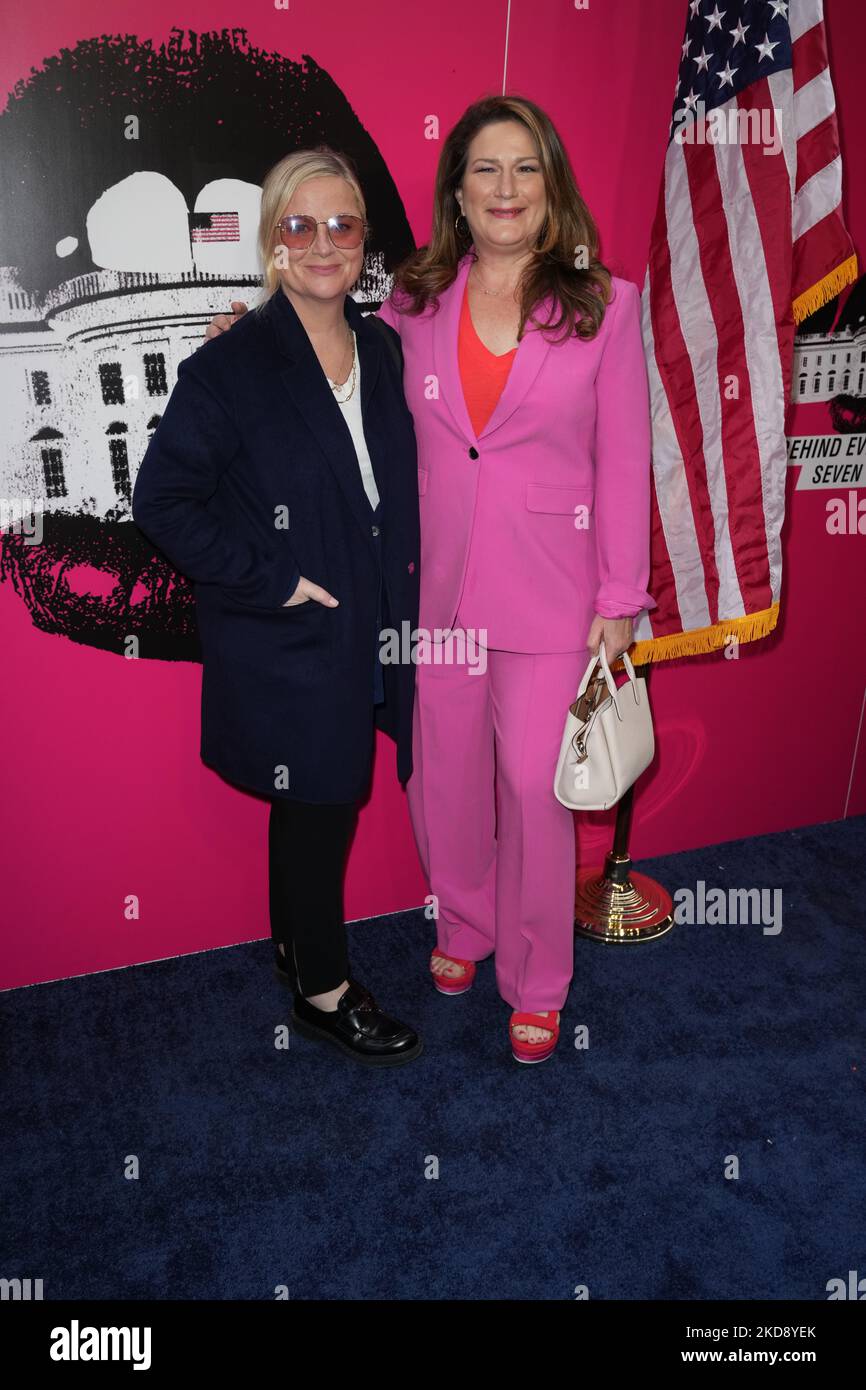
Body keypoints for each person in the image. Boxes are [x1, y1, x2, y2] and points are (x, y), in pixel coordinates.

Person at [206, 95, 655, 1065]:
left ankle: (537, 979)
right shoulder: (413, 303)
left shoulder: (604, 306)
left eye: (525, 168)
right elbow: (328, 354)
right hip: (430, 592)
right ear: (456, 189)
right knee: (439, 780)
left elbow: (625, 461)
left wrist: (621, 598)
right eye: (485, 168)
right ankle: (463, 924)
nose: (505, 188)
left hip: (553, 597)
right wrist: (249, 336)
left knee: (533, 792)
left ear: (551, 187)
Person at [133, 148, 423, 1067]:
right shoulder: (233, 365)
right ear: (272, 241)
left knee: (309, 802)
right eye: (301, 225)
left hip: (373, 618)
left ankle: (295, 950)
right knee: (322, 801)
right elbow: (161, 501)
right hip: (294, 632)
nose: (324, 244)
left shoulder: (384, 347)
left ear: (364, 239)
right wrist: (271, 579)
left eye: (343, 225)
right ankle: (325, 993)